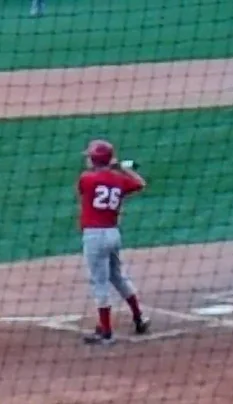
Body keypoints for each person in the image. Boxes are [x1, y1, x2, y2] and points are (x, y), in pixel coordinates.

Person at [77, 139, 150, 345]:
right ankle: (139, 318)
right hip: (112, 234)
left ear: (94, 159)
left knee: (99, 282)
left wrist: (110, 169)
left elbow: (86, 188)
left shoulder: (86, 179)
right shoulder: (119, 180)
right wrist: (120, 170)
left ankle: (106, 332)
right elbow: (141, 183)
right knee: (118, 276)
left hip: (94, 236)